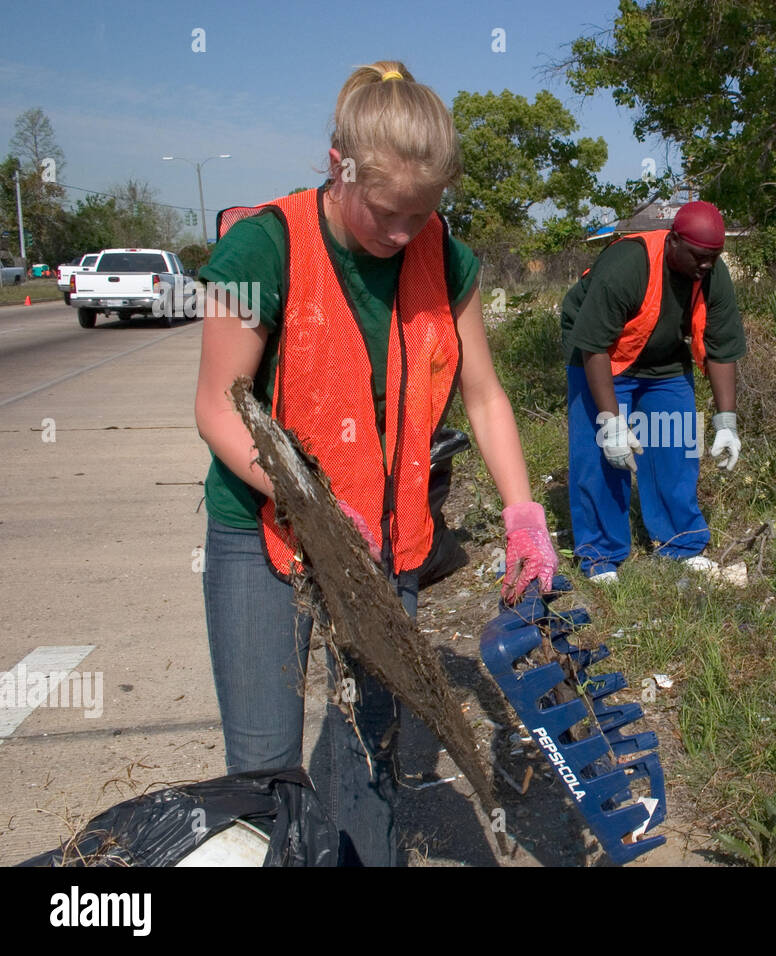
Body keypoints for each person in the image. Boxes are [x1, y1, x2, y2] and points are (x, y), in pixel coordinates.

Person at [193, 61, 557, 865]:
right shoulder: (265, 247)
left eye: (422, 213)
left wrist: (523, 513)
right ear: (338, 166)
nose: (403, 235)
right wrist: (311, 508)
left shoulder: (442, 254)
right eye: (388, 213)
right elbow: (219, 406)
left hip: (384, 540)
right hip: (265, 534)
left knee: (369, 754)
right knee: (266, 774)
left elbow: (485, 395)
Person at [562, 201, 747, 582]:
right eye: (698, 256)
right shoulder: (628, 266)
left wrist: (726, 422)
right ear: (674, 241)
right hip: (600, 357)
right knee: (601, 453)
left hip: (662, 360)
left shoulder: (712, 274)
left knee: (675, 447)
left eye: (714, 257)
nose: (706, 265)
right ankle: (600, 555)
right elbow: (594, 345)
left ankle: (680, 543)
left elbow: (721, 348)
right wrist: (612, 424)